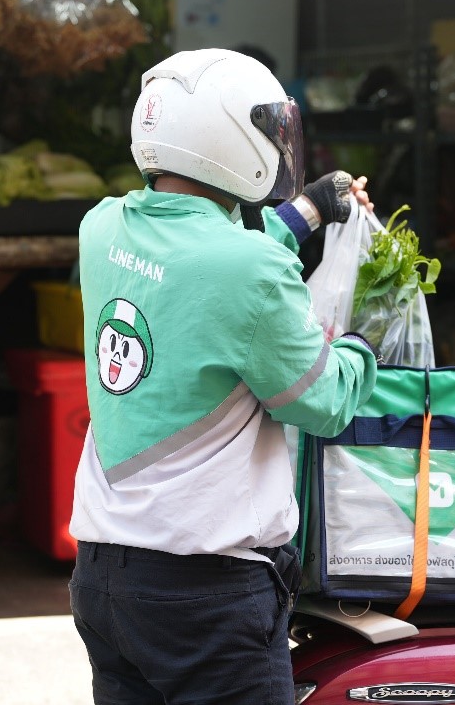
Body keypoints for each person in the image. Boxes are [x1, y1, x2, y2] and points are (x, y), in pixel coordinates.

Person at [67, 48, 379, 705]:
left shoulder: (101, 229)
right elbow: (322, 401)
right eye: (266, 128)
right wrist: (365, 334)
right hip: (205, 593)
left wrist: (310, 211)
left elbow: (205, 259)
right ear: (229, 139)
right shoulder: (248, 269)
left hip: (104, 580)